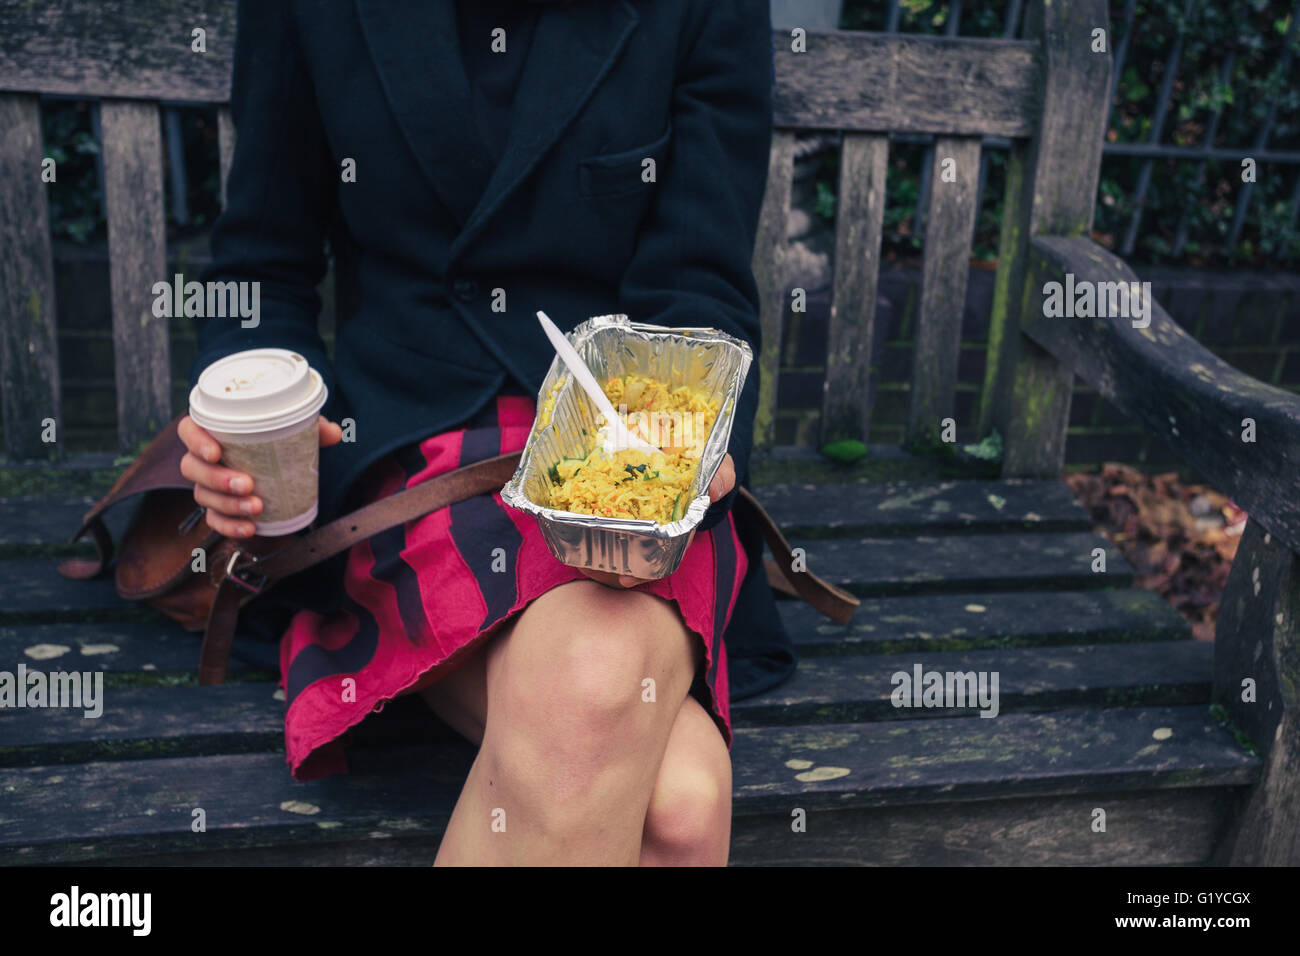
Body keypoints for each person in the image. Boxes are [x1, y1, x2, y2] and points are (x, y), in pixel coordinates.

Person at [180, 0, 784, 866]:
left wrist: (684, 436)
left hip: (628, 451)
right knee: (676, 803)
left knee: (662, 785)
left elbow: (700, 289)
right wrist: (244, 412)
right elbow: (261, 265)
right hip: (416, 444)